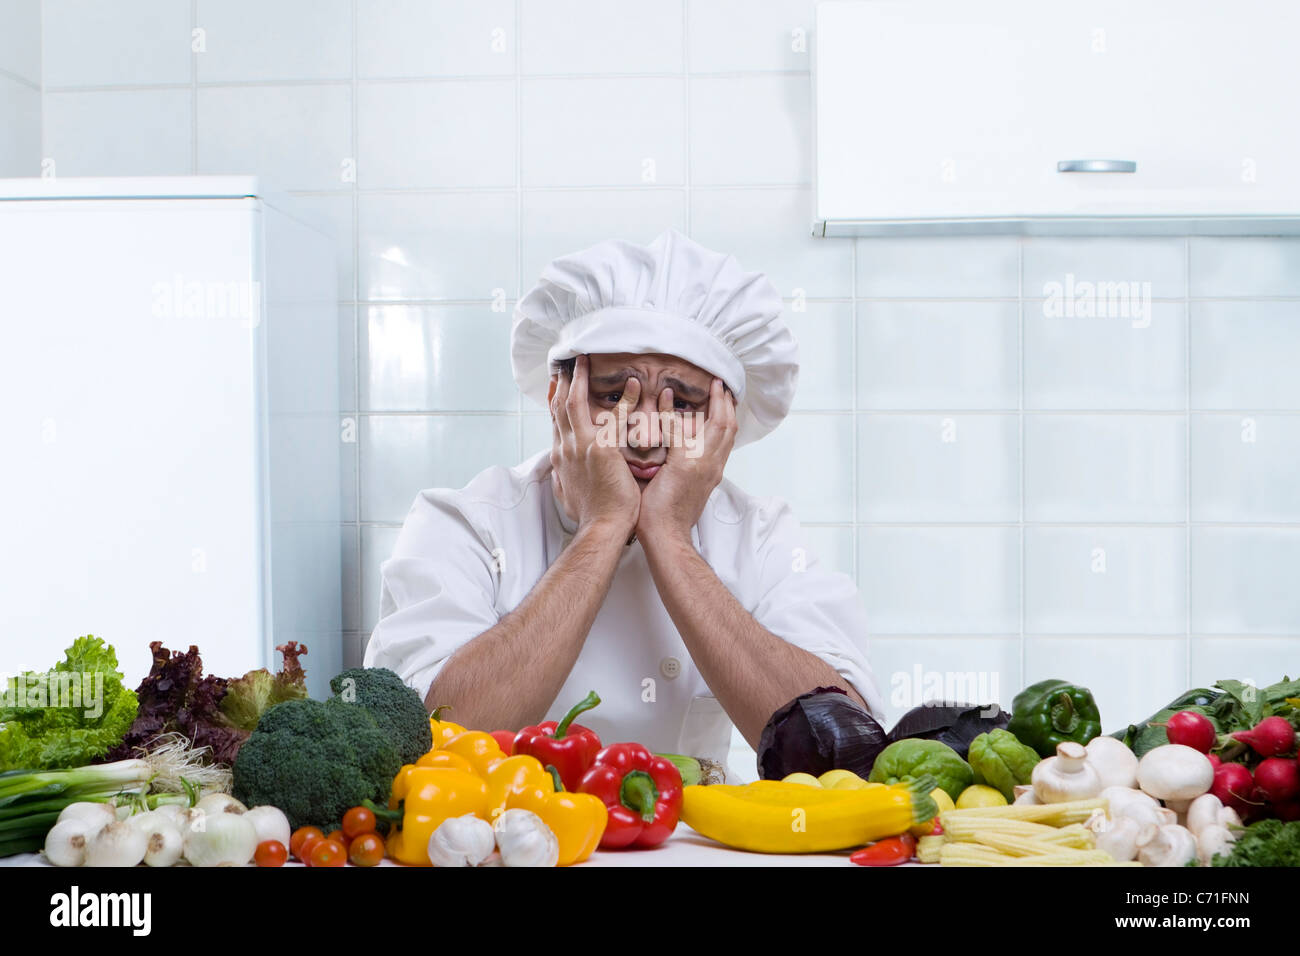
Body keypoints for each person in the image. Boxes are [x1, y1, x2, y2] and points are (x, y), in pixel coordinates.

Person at [363, 228, 885, 772]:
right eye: (614, 395)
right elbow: (427, 745)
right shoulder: (463, 524)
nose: (644, 432)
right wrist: (603, 526)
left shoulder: (763, 535)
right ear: (557, 398)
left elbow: (843, 752)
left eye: (682, 401)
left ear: (724, 421)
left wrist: (670, 537)